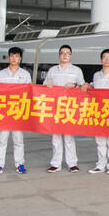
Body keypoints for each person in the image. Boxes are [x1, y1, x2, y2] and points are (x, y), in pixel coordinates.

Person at [43, 44, 85, 173]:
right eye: (62, 53)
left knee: (69, 137)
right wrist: (48, 85)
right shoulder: (52, 70)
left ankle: (72, 163)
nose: (65, 55)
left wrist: (75, 85)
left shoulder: (77, 70)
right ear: (59, 55)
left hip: (69, 107)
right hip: (55, 107)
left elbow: (83, 86)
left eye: (67, 53)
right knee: (55, 137)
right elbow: (44, 85)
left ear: (71, 56)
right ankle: (55, 164)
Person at [0, 46, 31, 176]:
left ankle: (20, 164)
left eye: (16, 56)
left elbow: (29, 92)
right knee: (1, 140)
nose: (14, 58)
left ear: (20, 58)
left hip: (18, 112)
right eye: (12, 56)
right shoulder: (1, 74)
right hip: (3, 112)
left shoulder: (25, 75)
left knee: (18, 140)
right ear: (9, 58)